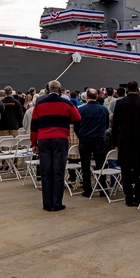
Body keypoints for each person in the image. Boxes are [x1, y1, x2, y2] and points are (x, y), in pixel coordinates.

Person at [31, 80, 81, 212]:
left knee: (46, 171)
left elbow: (33, 125)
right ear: (59, 89)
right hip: (60, 137)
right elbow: (77, 118)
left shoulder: (40, 103)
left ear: (48, 89)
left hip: (43, 139)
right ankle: (57, 203)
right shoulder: (67, 103)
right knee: (58, 171)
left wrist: (33, 143)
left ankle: (47, 204)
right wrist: (65, 119)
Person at [110, 81, 140, 207]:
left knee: (125, 169)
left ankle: (128, 197)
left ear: (127, 89)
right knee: (139, 169)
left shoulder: (120, 103)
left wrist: (115, 142)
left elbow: (115, 125)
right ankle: (138, 196)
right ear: (137, 89)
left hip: (124, 140)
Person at [76, 88, 110, 197]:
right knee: (100, 165)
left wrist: (80, 135)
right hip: (99, 139)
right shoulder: (103, 109)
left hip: (85, 139)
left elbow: (76, 126)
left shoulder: (80, 110)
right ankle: (102, 188)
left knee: (85, 165)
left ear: (87, 97)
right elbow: (106, 125)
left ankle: (88, 190)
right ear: (97, 97)